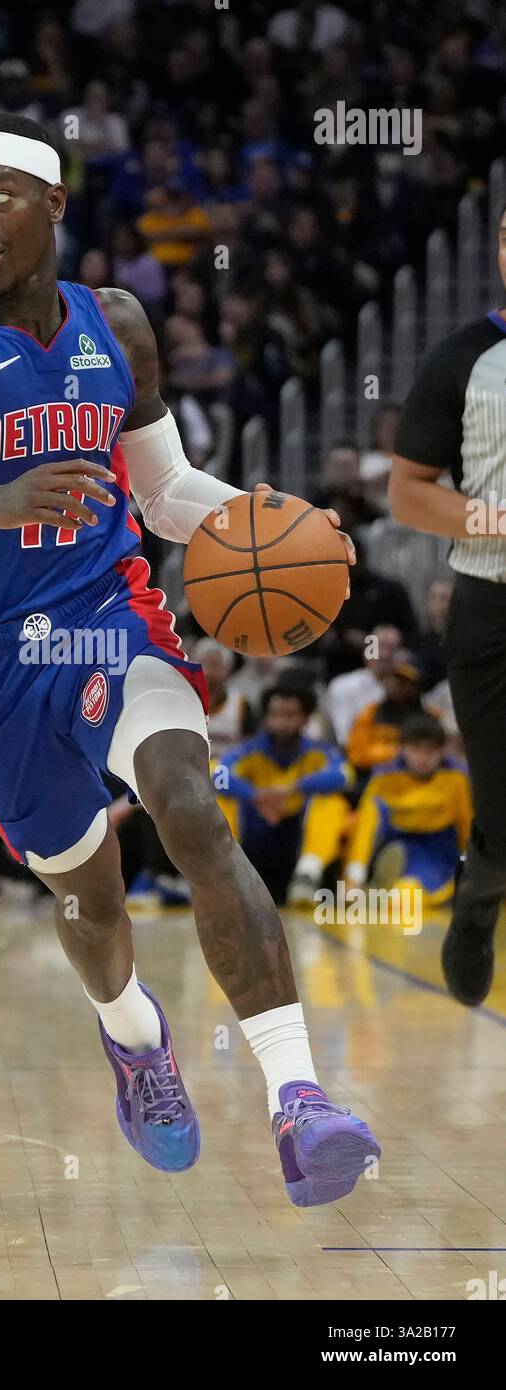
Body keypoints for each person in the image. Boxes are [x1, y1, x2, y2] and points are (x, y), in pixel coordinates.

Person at [0, 112, 378, 1204]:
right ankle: (131, 1037)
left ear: (52, 206)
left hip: (108, 616)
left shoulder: (114, 323)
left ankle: (300, 1099)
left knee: (190, 810)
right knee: (92, 902)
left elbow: (161, 496)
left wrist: (271, 517)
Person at [389, 199, 506, 1005]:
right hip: (489, 605)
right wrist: (496, 520)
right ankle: (480, 891)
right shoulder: (462, 358)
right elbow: (406, 493)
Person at [216, 685, 352, 906]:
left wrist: (294, 788)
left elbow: (344, 775)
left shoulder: (318, 752)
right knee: (223, 799)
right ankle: (224, 874)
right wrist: (256, 795)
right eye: (275, 715)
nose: (281, 722)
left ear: (306, 718)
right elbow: (217, 775)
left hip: (296, 840)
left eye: (290, 715)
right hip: (255, 839)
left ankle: (307, 875)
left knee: (331, 801)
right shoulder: (249, 749)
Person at [345, 714, 472, 910]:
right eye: (415, 749)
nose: (422, 758)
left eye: (429, 751)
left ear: (441, 750)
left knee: (407, 895)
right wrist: (353, 875)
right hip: (398, 845)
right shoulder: (384, 778)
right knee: (404, 892)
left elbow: (467, 827)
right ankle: (368, 888)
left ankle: (377, 898)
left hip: (439, 852)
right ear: (402, 748)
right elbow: (366, 827)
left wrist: (475, 873)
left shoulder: (457, 778)